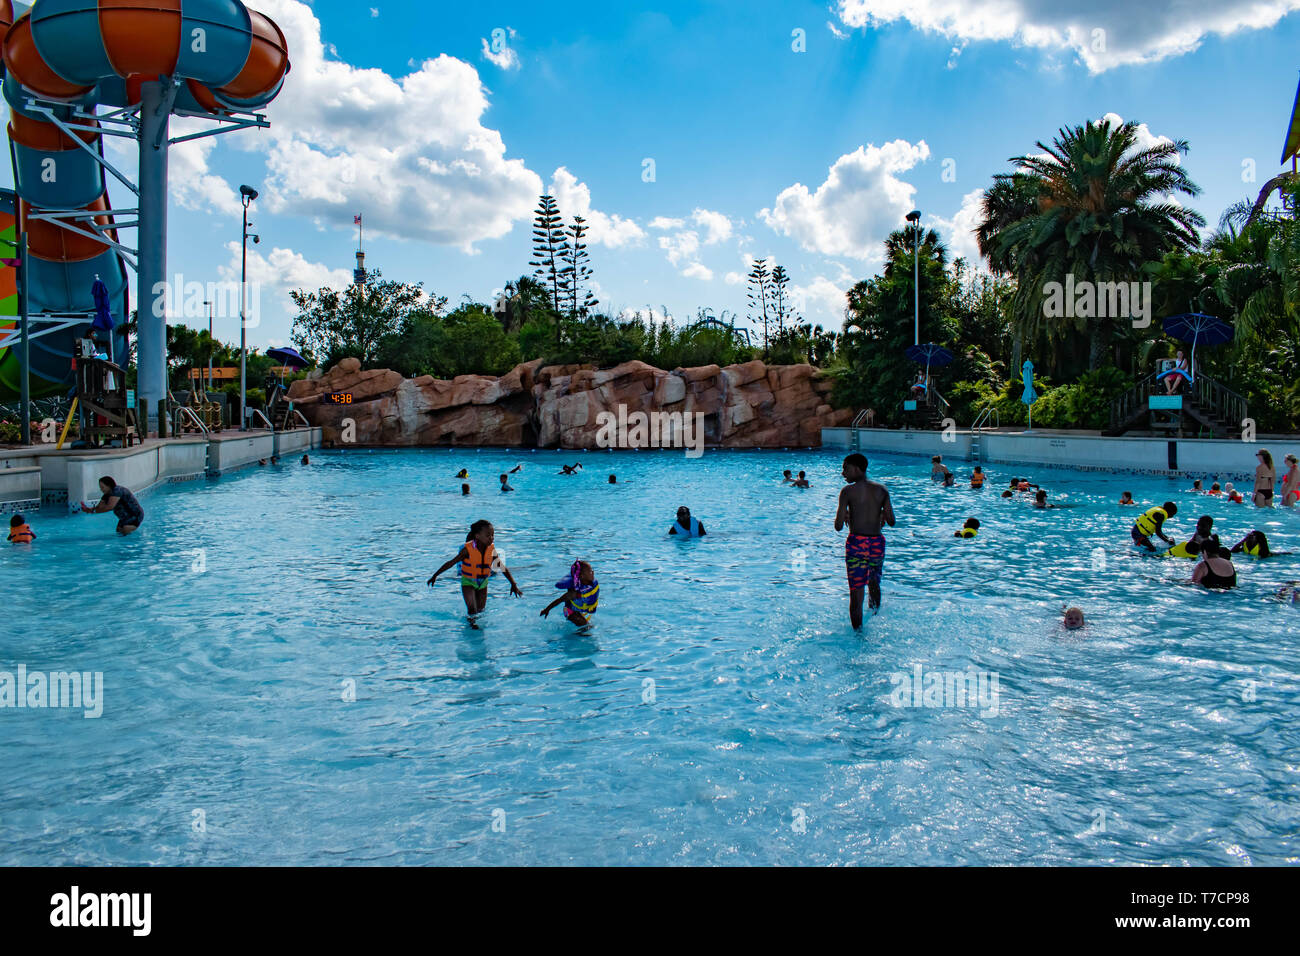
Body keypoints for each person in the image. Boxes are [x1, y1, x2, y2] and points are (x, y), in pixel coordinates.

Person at [835, 453, 895, 628]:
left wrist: (845, 514)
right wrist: (882, 513)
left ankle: (858, 635)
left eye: (845, 468)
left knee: (856, 592)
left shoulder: (847, 492)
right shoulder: (882, 490)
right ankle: (875, 616)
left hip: (856, 545)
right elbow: (892, 521)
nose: (843, 473)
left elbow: (838, 526)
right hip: (876, 544)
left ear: (856, 468)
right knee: (874, 583)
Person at [426, 519, 522, 616]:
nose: (491, 538)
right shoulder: (467, 550)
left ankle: (476, 627)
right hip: (468, 582)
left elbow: (502, 567)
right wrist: (435, 575)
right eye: (488, 535)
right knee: (472, 611)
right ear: (477, 536)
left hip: (483, 583)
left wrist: (513, 583)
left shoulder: (492, 550)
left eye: (493, 535)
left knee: (480, 611)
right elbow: (451, 563)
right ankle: (472, 627)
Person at [540, 560, 599, 627]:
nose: (593, 572)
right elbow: (560, 600)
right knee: (586, 627)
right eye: (590, 572)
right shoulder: (574, 593)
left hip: (577, 609)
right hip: (570, 612)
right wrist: (547, 610)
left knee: (587, 626)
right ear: (582, 576)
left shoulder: (589, 585)